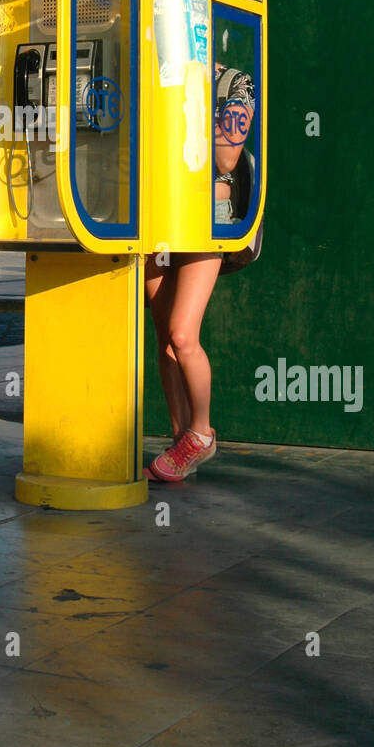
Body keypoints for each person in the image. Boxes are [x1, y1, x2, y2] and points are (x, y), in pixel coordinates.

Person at [143, 66, 255, 483]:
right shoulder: (155, 71)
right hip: (156, 212)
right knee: (163, 336)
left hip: (206, 218)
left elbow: (227, 157)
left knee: (182, 334)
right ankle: (179, 438)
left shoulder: (234, 83)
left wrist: (191, 102)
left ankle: (202, 432)